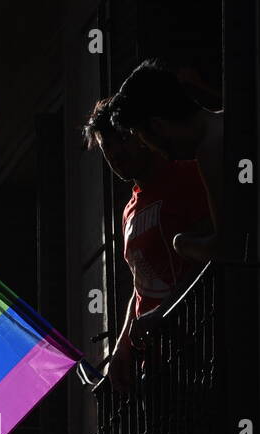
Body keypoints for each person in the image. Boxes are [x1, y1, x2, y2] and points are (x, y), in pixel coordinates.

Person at [83, 95, 211, 390]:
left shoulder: (187, 177)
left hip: (196, 348)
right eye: (107, 148)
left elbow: (208, 255)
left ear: (141, 133)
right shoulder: (129, 210)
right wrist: (121, 348)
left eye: (121, 140)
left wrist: (163, 311)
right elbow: (141, 286)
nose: (115, 153)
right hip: (154, 366)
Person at [113, 59, 224, 269]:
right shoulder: (225, 123)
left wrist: (181, 244)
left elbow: (226, 246)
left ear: (157, 126)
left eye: (147, 140)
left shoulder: (209, 150)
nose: (163, 154)